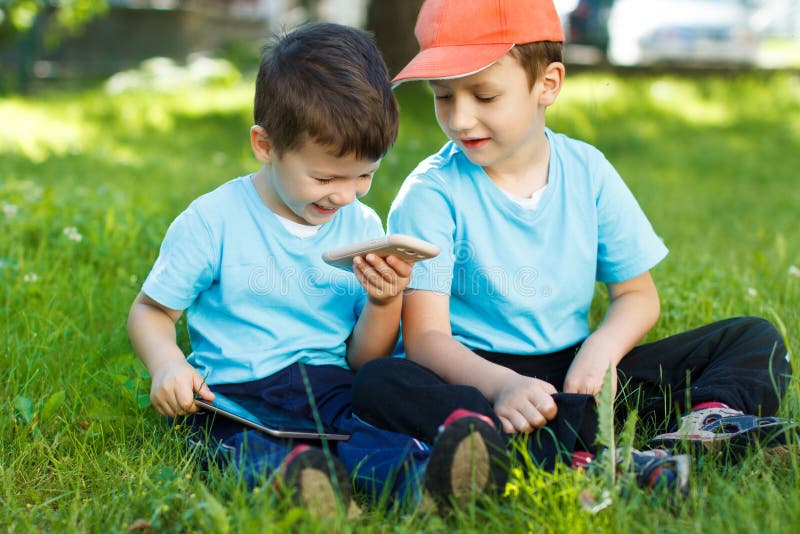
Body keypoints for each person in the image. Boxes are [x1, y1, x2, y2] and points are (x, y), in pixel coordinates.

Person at [352, 0, 794, 493]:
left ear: (548, 84)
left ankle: (703, 426)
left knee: (752, 338)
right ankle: (587, 460)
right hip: (478, 376)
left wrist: (602, 350)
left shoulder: (588, 171)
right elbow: (426, 339)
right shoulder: (431, 193)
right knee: (379, 384)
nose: (459, 118)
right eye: (443, 97)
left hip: (576, 372)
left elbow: (637, 296)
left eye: (484, 95)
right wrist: (503, 386)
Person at [127, 22, 508, 516]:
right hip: (233, 393)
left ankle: (424, 483)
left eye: (365, 175)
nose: (345, 195)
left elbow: (363, 359)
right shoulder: (212, 221)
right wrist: (167, 364)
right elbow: (151, 311)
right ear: (265, 146)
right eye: (325, 177)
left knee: (364, 433)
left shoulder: (361, 225)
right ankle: (300, 486)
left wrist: (384, 300)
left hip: (329, 385)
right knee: (238, 446)